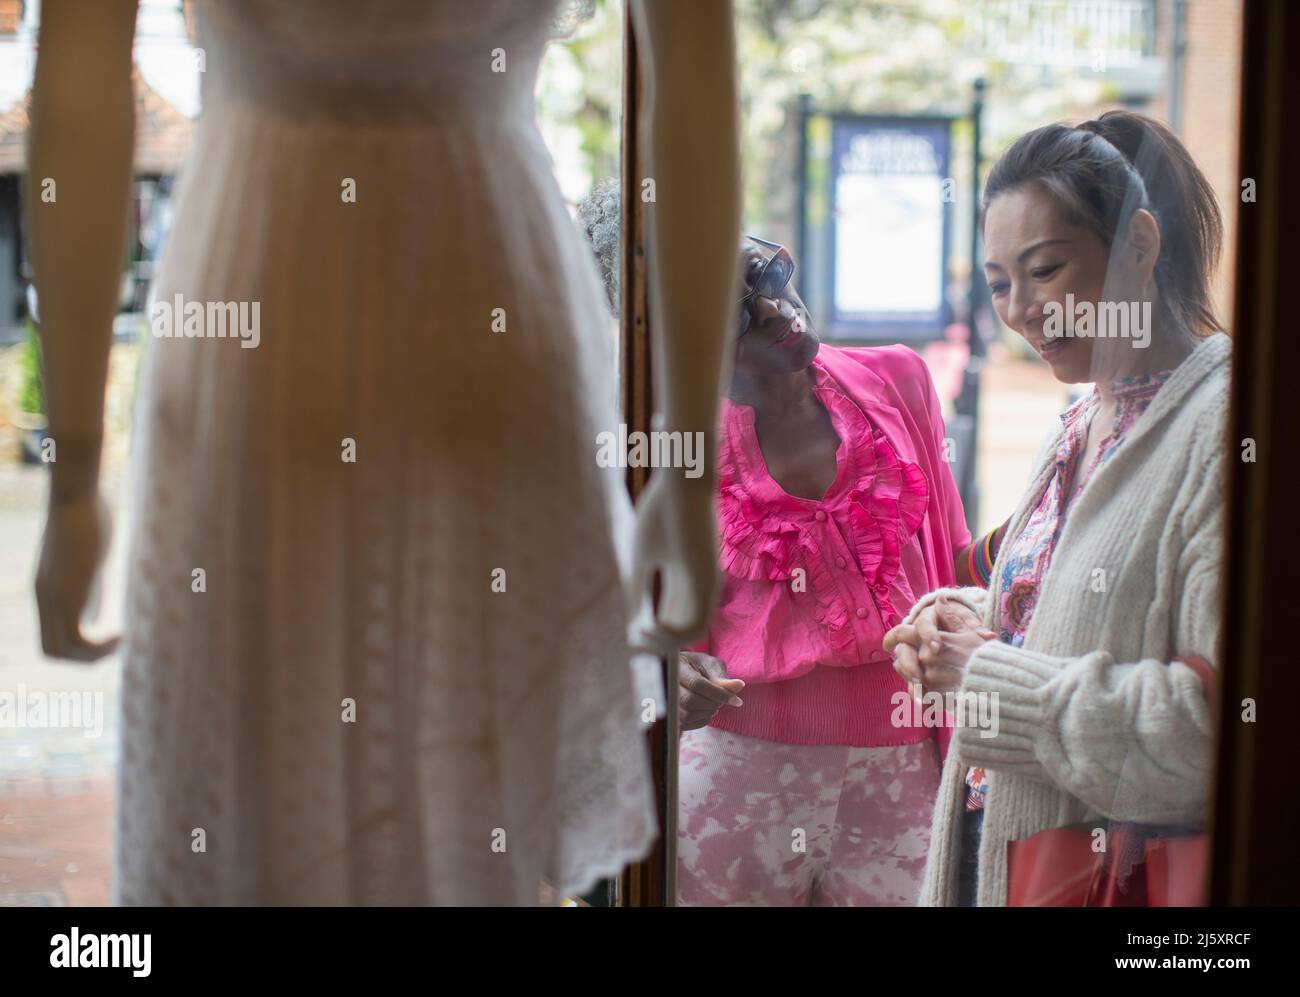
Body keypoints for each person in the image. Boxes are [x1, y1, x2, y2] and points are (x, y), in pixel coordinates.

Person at [28, 0, 740, 905]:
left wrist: (78, 474)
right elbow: (692, 84)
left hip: (259, 294)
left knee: (255, 801)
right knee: (470, 810)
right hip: (486, 290)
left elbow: (81, 87)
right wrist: (687, 471)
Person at [886, 110, 1227, 906]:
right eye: (1000, 282)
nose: (1018, 308)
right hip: (999, 862)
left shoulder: (1224, 428)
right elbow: (1083, 608)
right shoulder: (1083, 413)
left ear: (1139, 246)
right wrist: (964, 613)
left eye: (1044, 269)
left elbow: (1211, 733)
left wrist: (990, 676)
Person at [672, 235, 986, 906]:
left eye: (766, 275)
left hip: (904, 768)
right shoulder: (670, 443)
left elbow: (958, 562)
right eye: (737, 316)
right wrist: (664, 670)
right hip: (735, 773)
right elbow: (628, 616)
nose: (777, 312)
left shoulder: (900, 380)